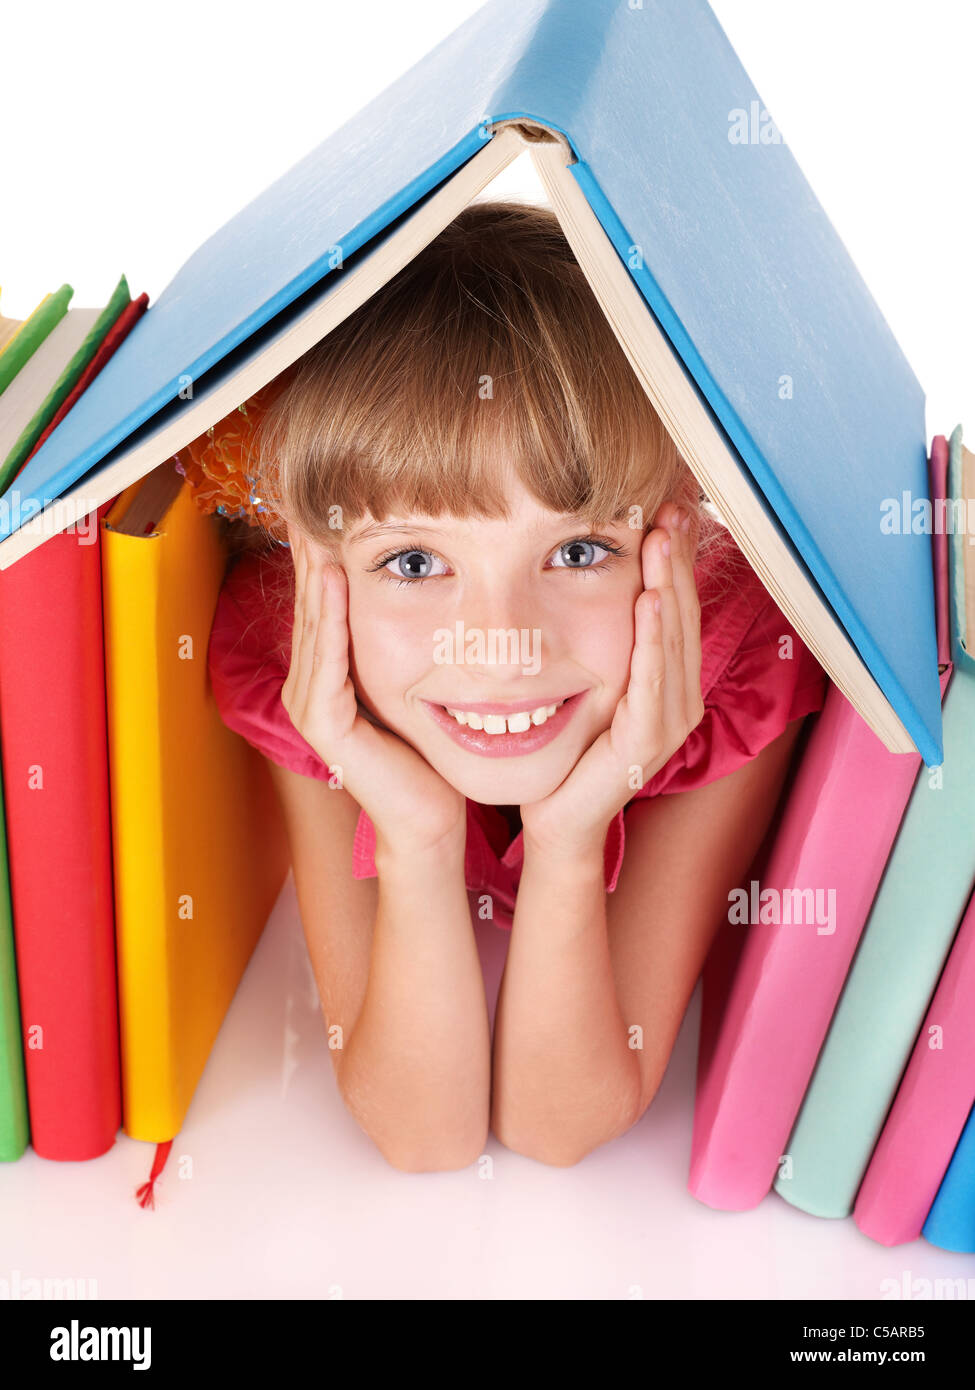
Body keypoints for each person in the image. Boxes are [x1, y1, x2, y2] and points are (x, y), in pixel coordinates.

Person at [178, 201, 827, 1174]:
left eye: (577, 549)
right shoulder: (308, 667)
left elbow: (559, 1126)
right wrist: (420, 836)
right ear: (321, 569)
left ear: (675, 540)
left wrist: (570, 839)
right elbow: (422, 1134)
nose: (504, 646)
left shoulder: (728, 665)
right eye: (411, 562)